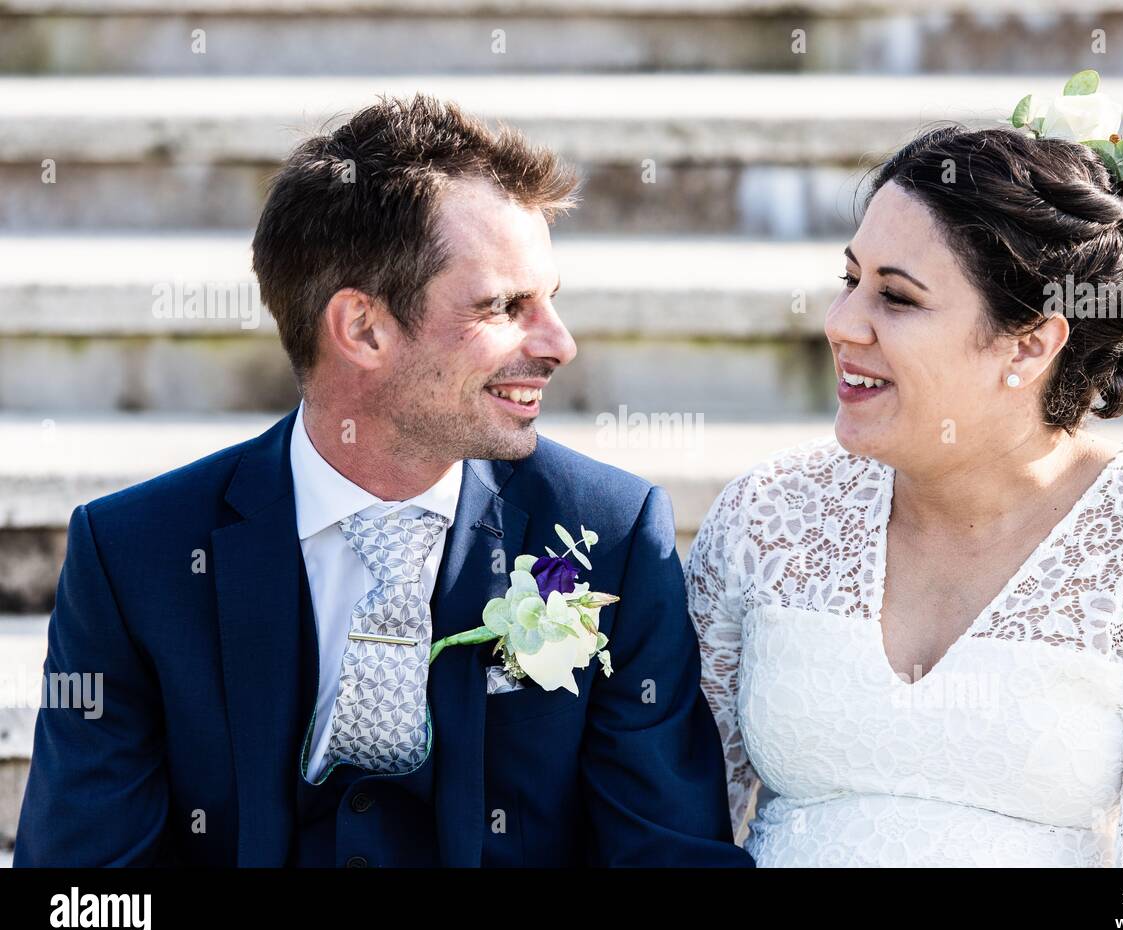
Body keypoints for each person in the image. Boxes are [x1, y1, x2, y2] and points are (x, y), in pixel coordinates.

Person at [15, 94, 751, 867]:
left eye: (552, 301)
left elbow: (668, 856)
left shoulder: (610, 536)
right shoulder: (134, 555)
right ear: (363, 328)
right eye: (505, 306)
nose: (559, 343)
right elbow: (84, 892)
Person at [686, 122, 1123, 867]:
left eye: (896, 298)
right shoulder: (765, 515)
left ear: (1030, 344)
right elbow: (678, 829)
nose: (841, 324)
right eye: (851, 280)